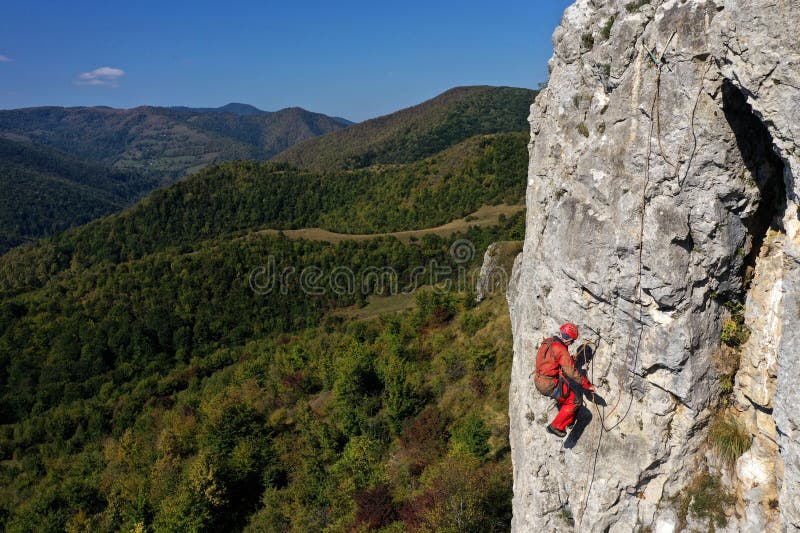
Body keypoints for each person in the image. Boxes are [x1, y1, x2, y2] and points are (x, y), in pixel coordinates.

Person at [533, 322, 595, 437]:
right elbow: (571, 372)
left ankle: (569, 420)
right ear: (569, 339)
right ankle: (556, 426)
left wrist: (568, 359)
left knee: (567, 397)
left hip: (539, 380)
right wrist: (587, 385)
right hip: (549, 384)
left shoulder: (548, 341)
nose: (572, 343)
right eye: (573, 341)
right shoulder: (561, 349)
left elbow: (550, 361)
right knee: (574, 401)